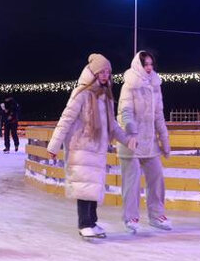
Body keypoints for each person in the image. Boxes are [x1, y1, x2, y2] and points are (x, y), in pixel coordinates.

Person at [46, 54, 137, 240]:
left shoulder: (106, 97)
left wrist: (127, 140)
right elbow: (66, 119)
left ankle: (92, 222)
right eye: (101, 71)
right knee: (84, 187)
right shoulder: (81, 93)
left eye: (108, 72)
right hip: (81, 147)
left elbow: (112, 126)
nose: (105, 75)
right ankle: (84, 224)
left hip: (97, 148)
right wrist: (54, 145)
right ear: (93, 73)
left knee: (93, 187)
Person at [116, 51, 173, 233]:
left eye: (151, 64)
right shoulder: (130, 85)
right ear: (139, 66)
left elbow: (158, 116)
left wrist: (164, 141)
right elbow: (125, 112)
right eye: (145, 64)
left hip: (149, 142)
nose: (149, 68)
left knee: (157, 178)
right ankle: (131, 218)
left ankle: (156, 215)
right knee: (132, 183)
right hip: (131, 141)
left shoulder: (155, 85)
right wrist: (131, 132)